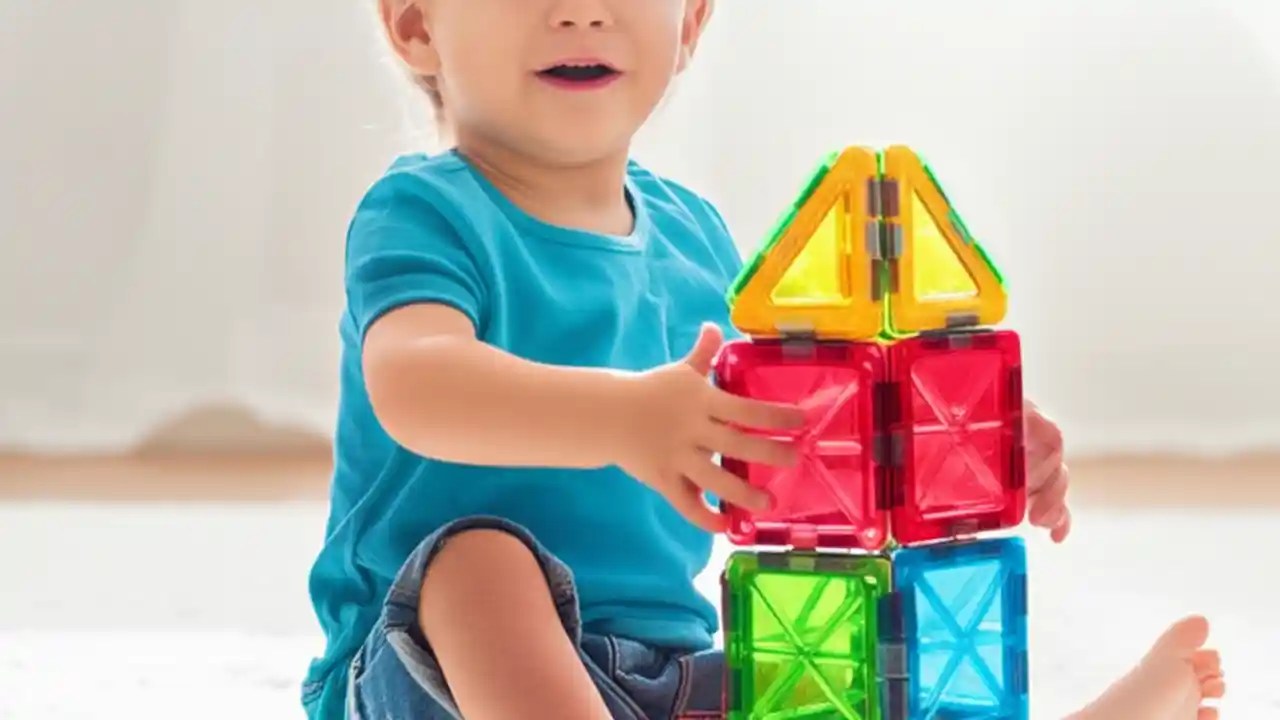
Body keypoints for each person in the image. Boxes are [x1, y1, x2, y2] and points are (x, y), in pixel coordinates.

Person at [301, 1, 1226, 718]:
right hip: (431, 670)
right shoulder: (426, 211)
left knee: (839, 656)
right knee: (479, 563)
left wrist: (961, 436)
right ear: (417, 25)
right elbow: (414, 382)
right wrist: (624, 419)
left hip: (666, 674)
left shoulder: (698, 239)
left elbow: (807, 438)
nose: (580, 11)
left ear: (690, 22)